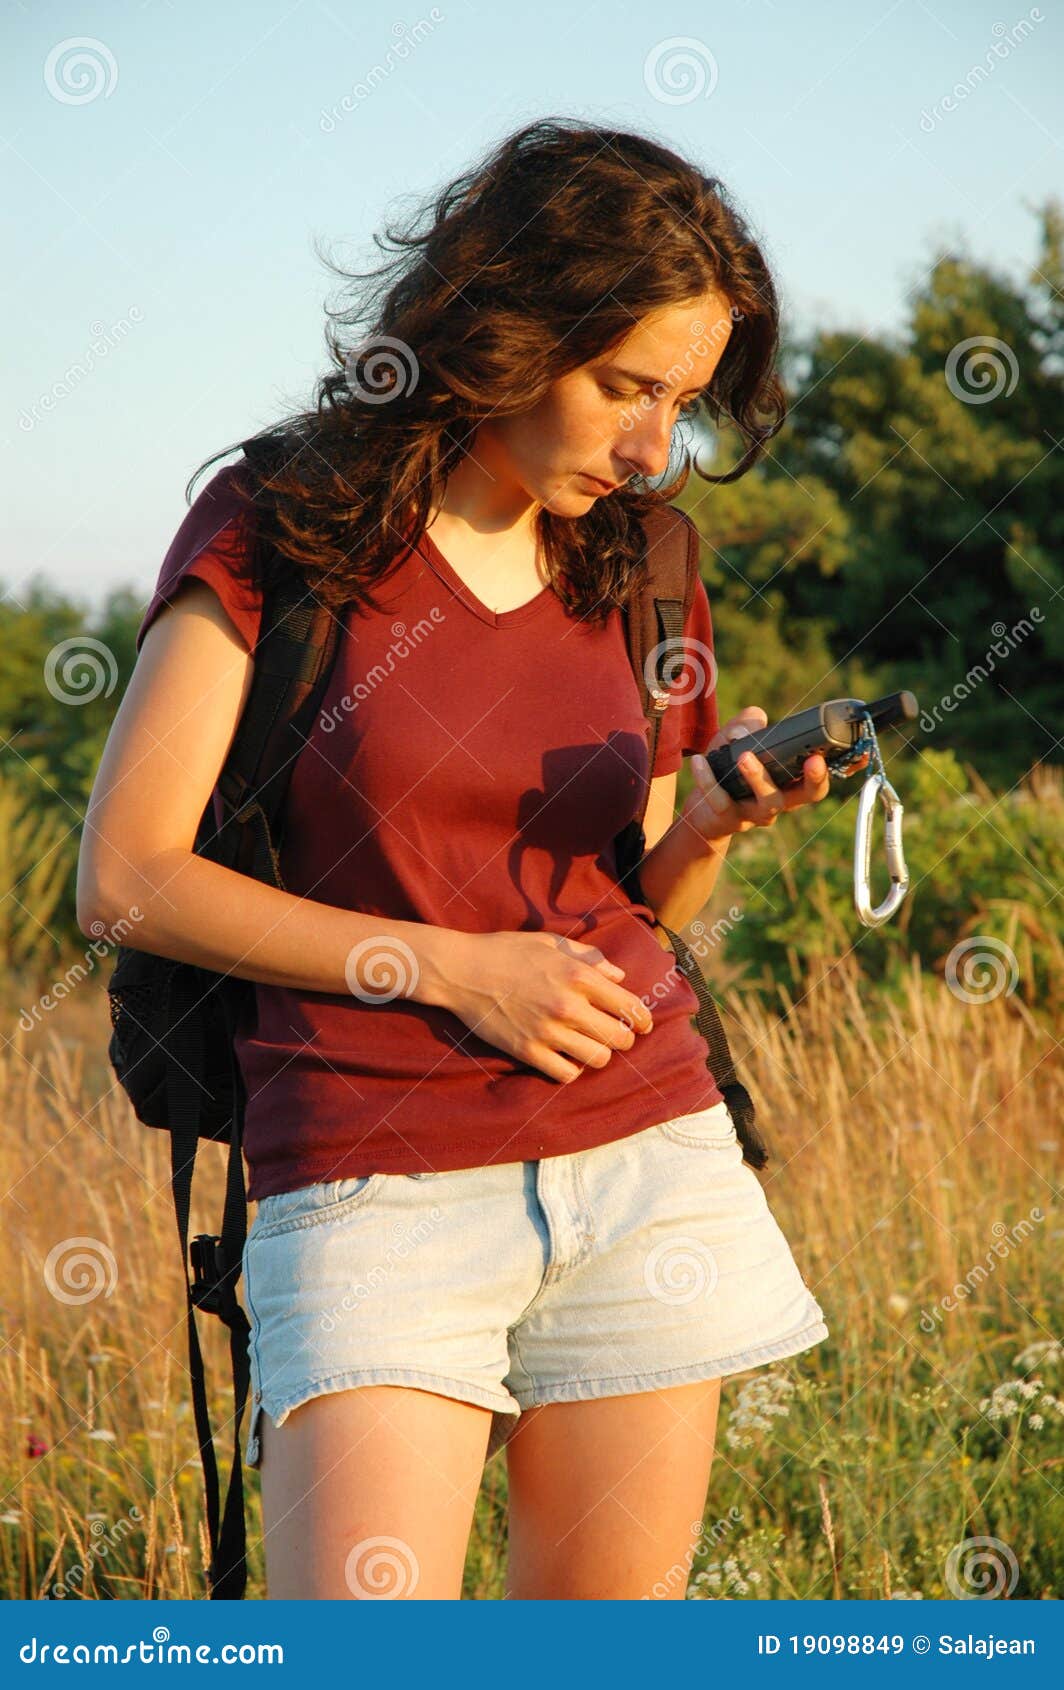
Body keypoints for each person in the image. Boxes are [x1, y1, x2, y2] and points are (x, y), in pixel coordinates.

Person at [78, 118, 858, 1601]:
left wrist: (704, 824)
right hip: (378, 1182)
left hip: (647, 1162)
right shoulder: (282, 526)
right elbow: (123, 872)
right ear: (502, 329)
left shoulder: (645, 555)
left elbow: (632, 900)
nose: (652, 446)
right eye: (625, 387)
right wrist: (454, 970)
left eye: (682, 403)